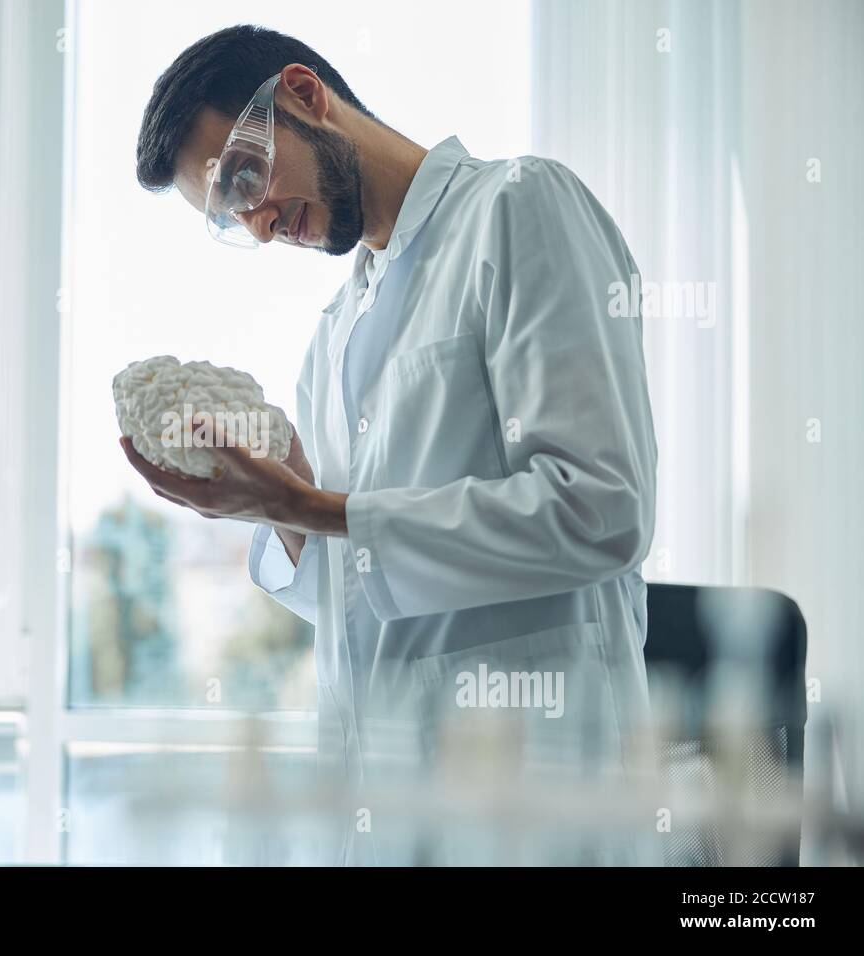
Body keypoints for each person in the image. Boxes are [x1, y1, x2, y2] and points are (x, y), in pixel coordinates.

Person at [123, 24, 660, 864]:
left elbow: (599, 509)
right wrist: (284, 503)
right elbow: (358, 587)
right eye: (231, 216)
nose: (259, 225)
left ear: (302, 97)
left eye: (246, 178)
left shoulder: (519, 210)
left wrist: (310, 505)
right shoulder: (332, 339)